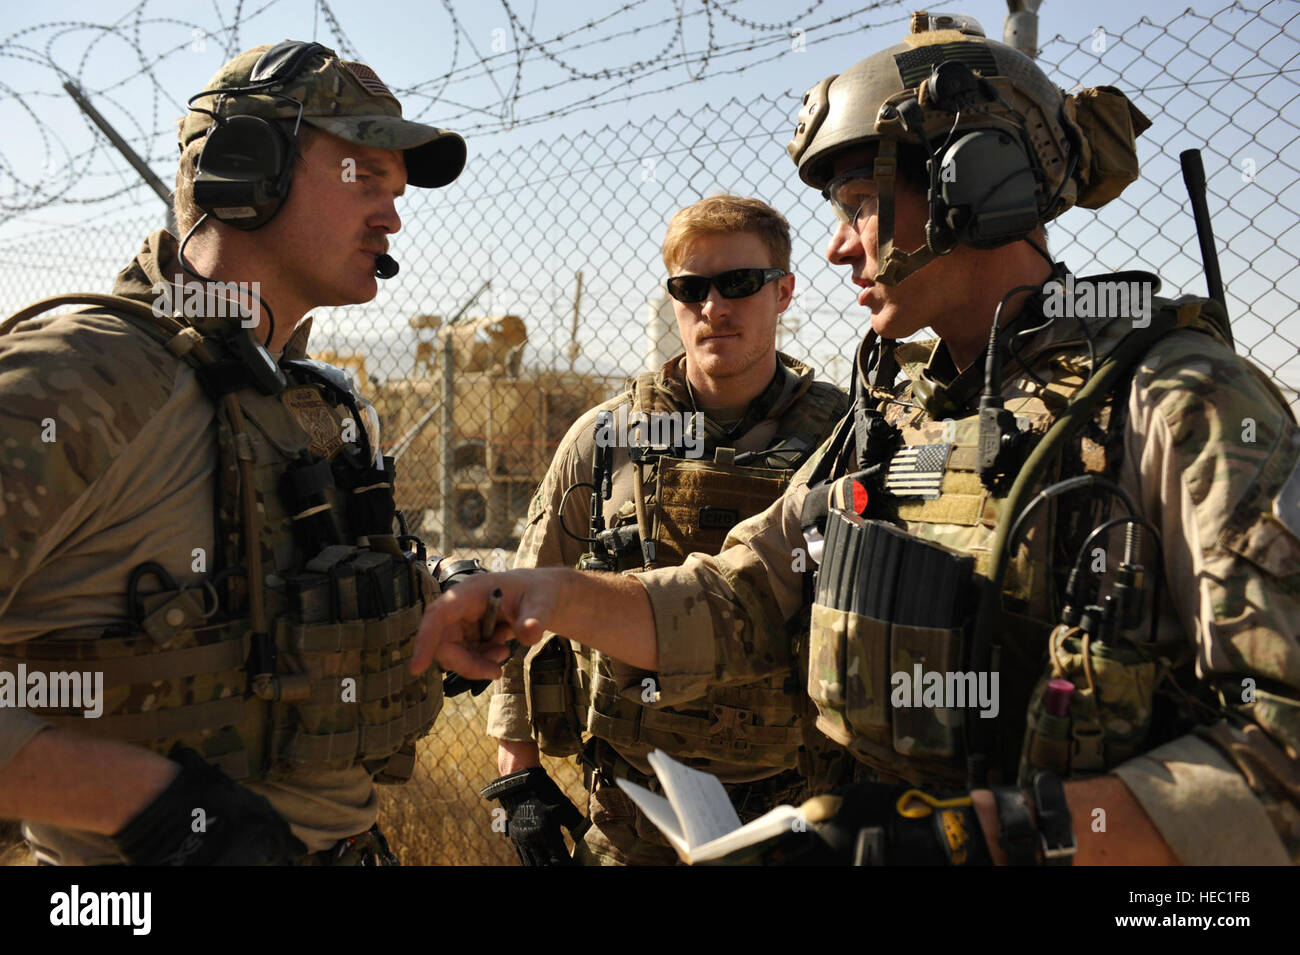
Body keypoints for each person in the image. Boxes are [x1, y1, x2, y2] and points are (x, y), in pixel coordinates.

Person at [416, 12, 1300, 865]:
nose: (840, 246)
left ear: (973, 186)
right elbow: (739, 600)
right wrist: (545, 592)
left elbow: (1281, 761)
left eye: (864, 203)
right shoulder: (894, 418)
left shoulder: (1174, 406)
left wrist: (971, 837)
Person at [0, 40, 482, 866]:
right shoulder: (86, 376)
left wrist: (427, 620)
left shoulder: (298, 395)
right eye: (363, 175)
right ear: (242, 170)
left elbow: (272, 625)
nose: (393, 214)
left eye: (398, 190)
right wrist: (145, 804)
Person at [481, 195, 849, 865]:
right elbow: (522, 599)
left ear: (785, 291)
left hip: (797, 815)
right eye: (691, 287)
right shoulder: (604, 440)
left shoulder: (842, 442)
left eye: (739, 283)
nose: (714, 307)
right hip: (633, 818)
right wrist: (519, 772)